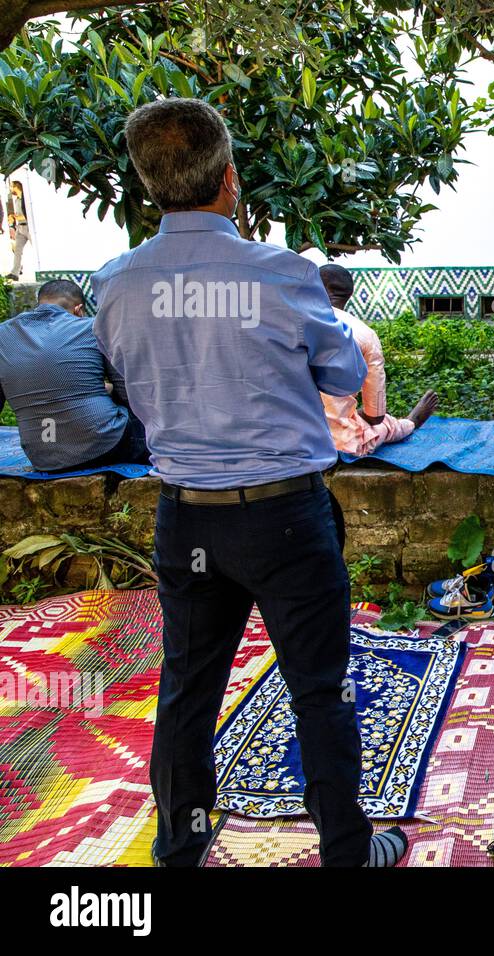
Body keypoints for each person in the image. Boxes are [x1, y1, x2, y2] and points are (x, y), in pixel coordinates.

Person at [92, 97, 407, 867]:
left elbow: (129, 385)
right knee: (318, 688)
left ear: (146, 183)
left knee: (188, 691)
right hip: (286, 519)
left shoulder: (115, 284)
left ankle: (180, 851)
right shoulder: (281, 274)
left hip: (187, 518)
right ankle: (345, 851)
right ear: (229, 180)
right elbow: (340, 369)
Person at [0, 279, 149, 472]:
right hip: (104, 445)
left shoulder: (4, 334)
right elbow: (129, 393)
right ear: (78, 310)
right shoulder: (94, 327)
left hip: (42, 455)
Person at [317, 263, 437, 456]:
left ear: (312, 287)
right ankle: (410, 423)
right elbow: (375, 417)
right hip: (337, 441)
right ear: (349, 294)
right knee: (384, 425)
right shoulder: (365, 335)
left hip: (286, 436)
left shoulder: (285, 324)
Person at [6, 180, 29, 280]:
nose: (10, 189)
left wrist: (15, 217)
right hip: (19, 227)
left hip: (27, 226)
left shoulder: (25, 200)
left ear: (16, 187)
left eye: (11, 187)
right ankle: (15, 273)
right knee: (17, 250)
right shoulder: (16, 200)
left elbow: (27, 215)